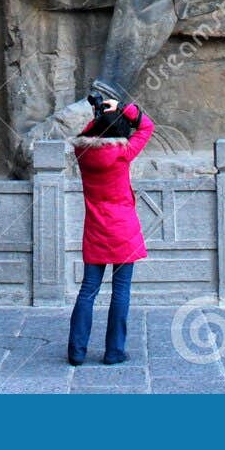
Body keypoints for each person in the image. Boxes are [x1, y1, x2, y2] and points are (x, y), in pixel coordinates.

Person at [68, 98, 155, 366]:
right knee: (121, 291)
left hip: (95, 229)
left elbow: (88, 133)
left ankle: (76, 352)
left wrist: (99, 113)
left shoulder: (82, 154)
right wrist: (122, 107)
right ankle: (114, 351)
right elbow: (147, 126)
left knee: (88, 291)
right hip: (123, 231)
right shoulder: (124, 152)